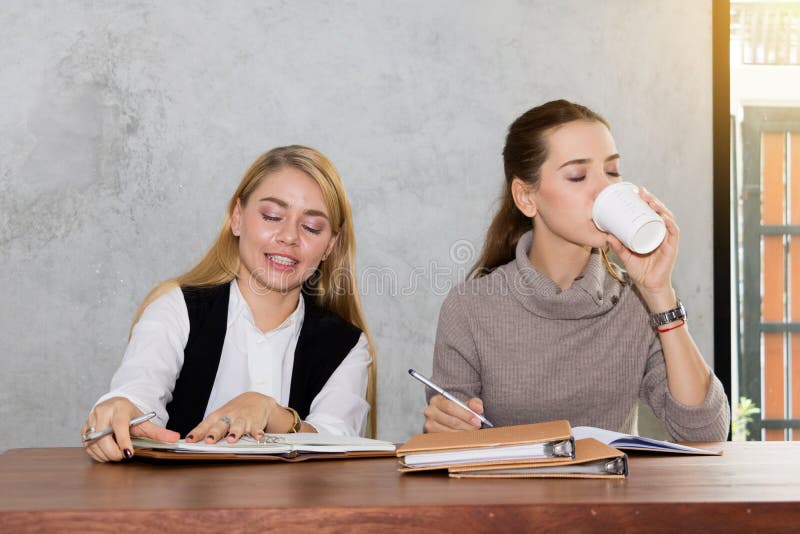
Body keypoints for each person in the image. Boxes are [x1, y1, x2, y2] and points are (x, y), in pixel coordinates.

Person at [423, 100, 730, 441]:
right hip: (508, 494)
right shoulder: (469, 308)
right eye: (577, 175)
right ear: (526, 197)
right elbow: (451, 444)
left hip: (612, 492)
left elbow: (705, 433)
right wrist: (446, 427)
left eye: (612, 172)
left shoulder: (637, 304)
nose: (604, 189)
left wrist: (659, 293)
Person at [82, 145, 376, 462]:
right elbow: (138, 390)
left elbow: (338, 443)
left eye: (311, 227)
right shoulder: (175, 309)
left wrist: (270, 412)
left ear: (330, 244)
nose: (289, 236)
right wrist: (119, 410)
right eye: (272, 216)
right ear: (237, 218)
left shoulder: (347, 346)